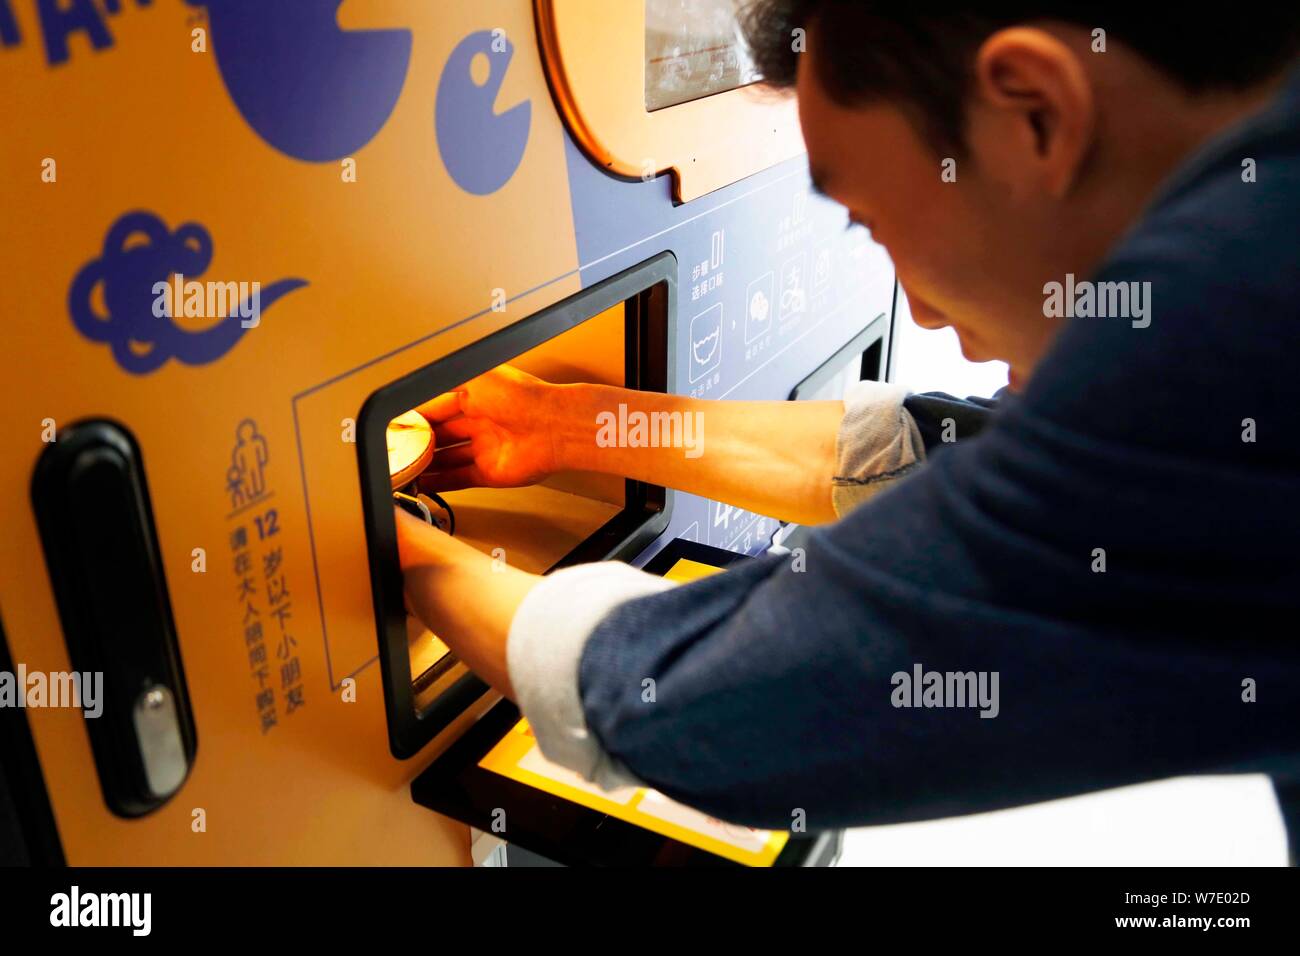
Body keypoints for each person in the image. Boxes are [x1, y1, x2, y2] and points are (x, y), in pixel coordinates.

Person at [396, 4, 1300, 851]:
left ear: (1034, 113)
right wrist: (571, 423)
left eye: (874, 220)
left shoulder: (1233, 317)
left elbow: (716, 710)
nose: (922, 310)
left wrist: (394, 547)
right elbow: (944, 455)